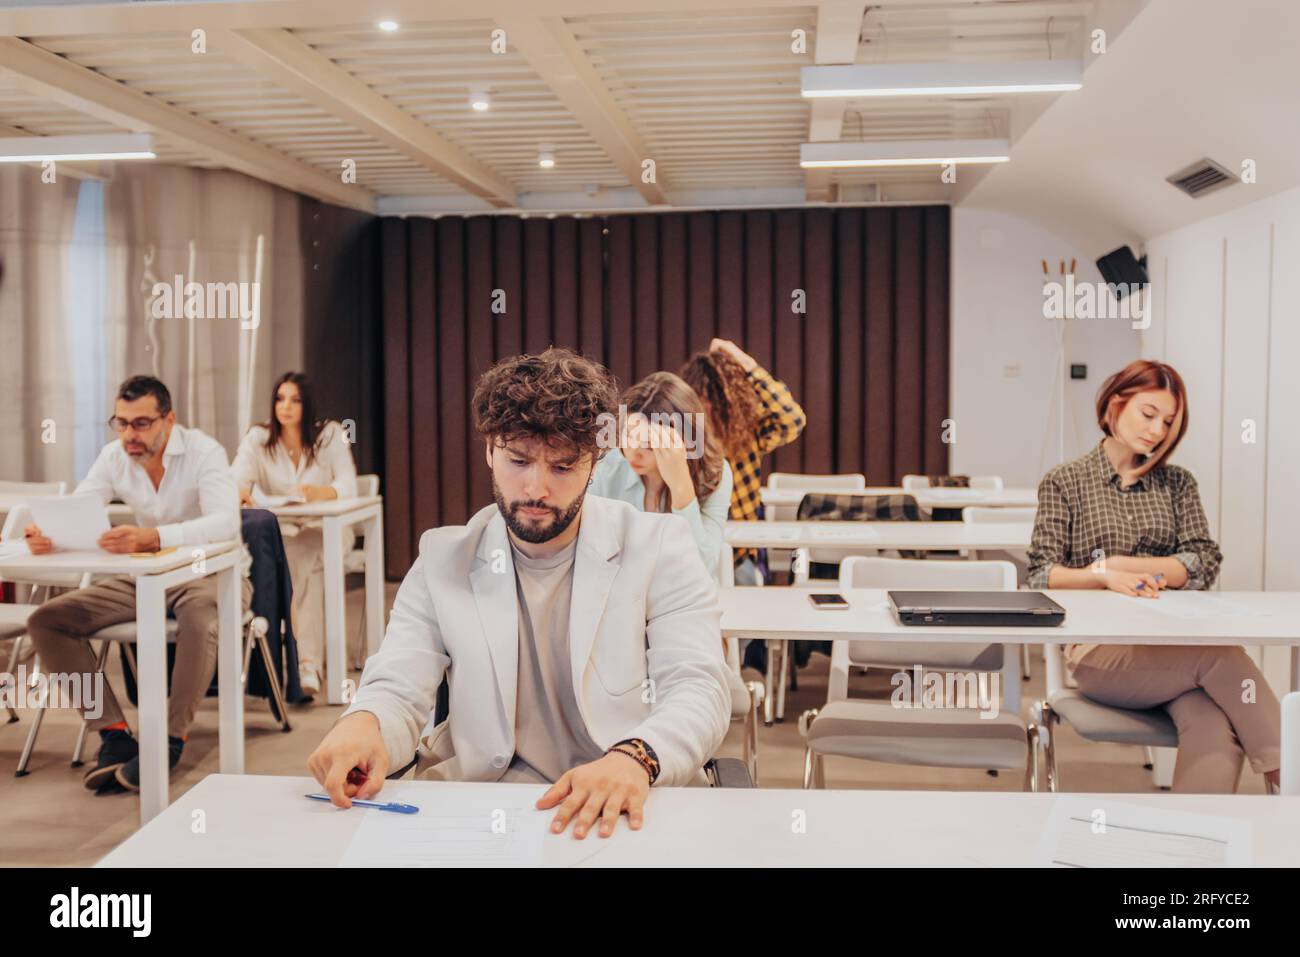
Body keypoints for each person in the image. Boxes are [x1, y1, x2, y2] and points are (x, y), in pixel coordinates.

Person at [309, 348, 730, 839]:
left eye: (562, 467)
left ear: (595, 462)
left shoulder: (660, 547)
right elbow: (398, 686)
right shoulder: (444, 560)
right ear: (490, 448)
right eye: (518, 461)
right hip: (484, 816)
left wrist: (636, 755)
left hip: (619, 807)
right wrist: (367, 722)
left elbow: (698, 685)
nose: (536, 489)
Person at [1027, 359, 1281, 793]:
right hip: (1101, 652)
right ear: (1113, 405)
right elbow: (1040, 575)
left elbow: (1203, 562)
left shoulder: (1178, 483)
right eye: (1148, 415)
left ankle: (1193, 847)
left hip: (1178, 648)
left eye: (1168, 422)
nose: (1157, 431)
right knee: (1221, 656)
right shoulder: (1066, 481)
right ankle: (1290, 776)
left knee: (1214, 725)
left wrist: (1119, 565)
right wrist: (1102, 576)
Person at [24, 375, 250, 793]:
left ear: (169, 419)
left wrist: (157, 537)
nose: (129, 434)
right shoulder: (114, 456)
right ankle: (114, 733)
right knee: (46, 621)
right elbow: (81, 506)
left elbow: (226, 524)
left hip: (210, 573)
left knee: (199, 622)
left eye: (141, 423)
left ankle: (170, 738)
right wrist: (48, 534)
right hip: (146, 575)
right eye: (122, 422)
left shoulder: (204, 451)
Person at [230, 372, 357, 698]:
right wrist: (241, 491)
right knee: (305, 566)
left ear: (308, 404)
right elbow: (233, 481)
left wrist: (321, 492)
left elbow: (348, 485)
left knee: (304, 556)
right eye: (280, 398)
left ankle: (299, 663)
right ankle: (306, 667)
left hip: (326, 533)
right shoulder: (258, 439)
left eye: (295, 399)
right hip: (285, 536)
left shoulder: (330, 435)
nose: (285, 406)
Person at [680, 338, 805, 586]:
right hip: (695, 547)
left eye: (713, 399)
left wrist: (747, 365)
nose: (706, 407)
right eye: (699, 398)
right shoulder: (682, 438)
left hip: (740, 550)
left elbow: (792, 419)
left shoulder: (746, 434)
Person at [588, 371, 732, 578]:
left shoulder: (714, 472)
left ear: (683, 439)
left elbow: (702, 567)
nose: (633, 452)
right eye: (628, 436)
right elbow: (592, 552)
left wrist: (681, 485)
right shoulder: (608, 465)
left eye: (648, 444)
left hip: (686, 598)